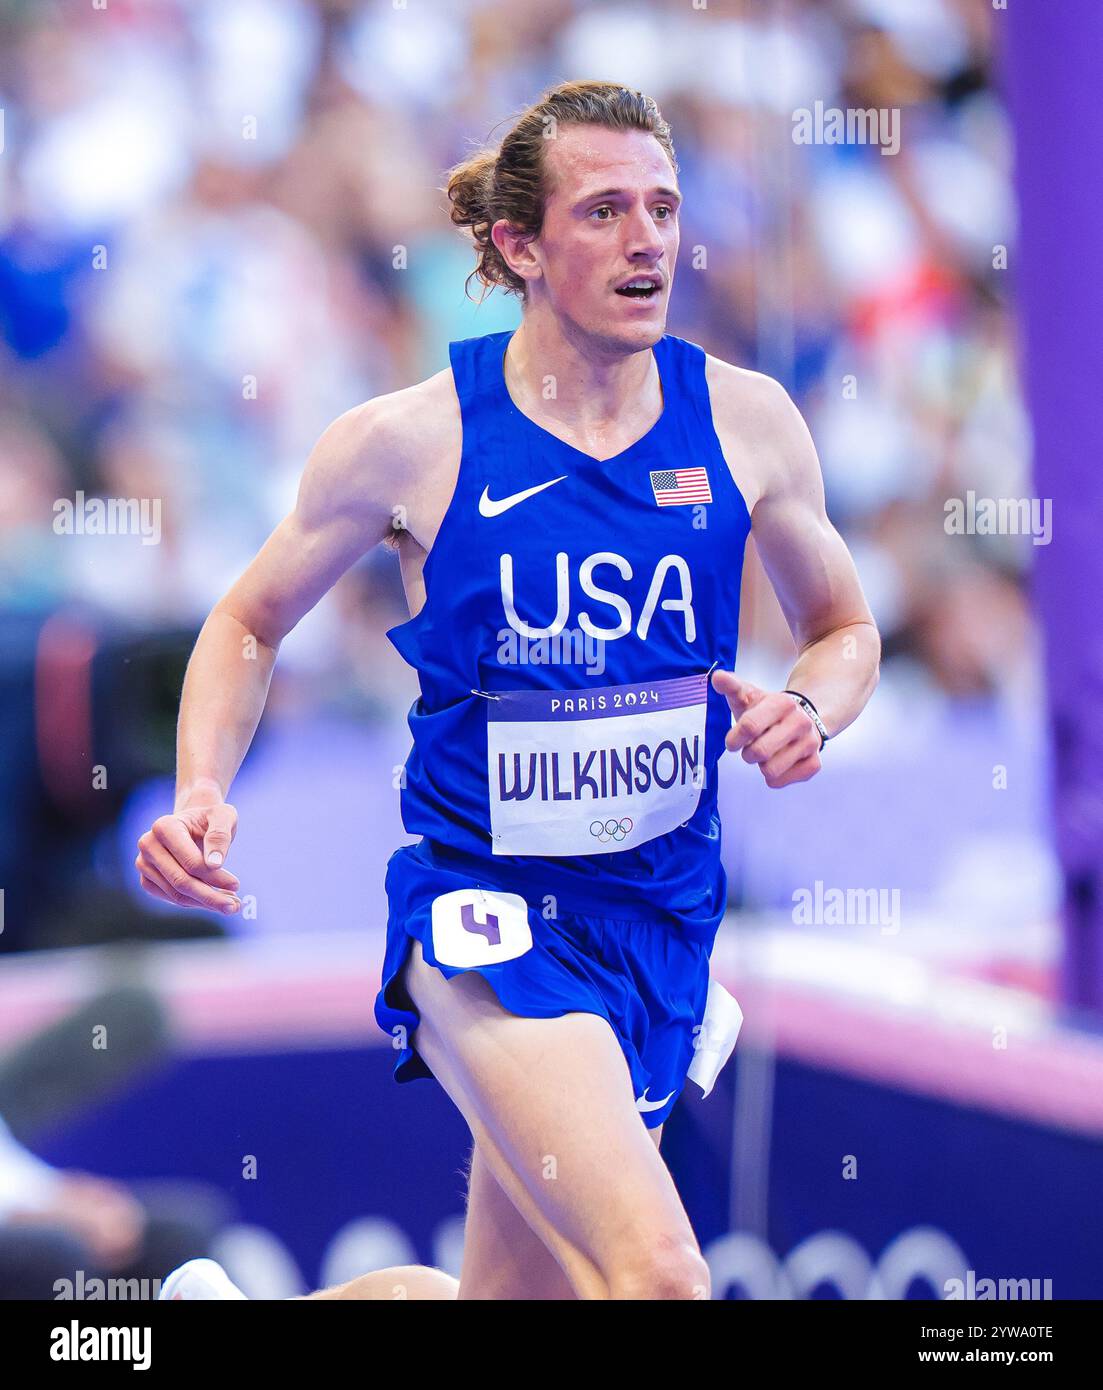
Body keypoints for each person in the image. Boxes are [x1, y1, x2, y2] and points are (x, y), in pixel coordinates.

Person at [139, 81, 879, 1301]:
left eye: (662, 206)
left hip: (657, 918)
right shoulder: (409, 442)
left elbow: (843, 627)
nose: (647, 238)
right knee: (658, 1276)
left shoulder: (747, 425)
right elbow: (247, 618)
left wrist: (807, 706)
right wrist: (201, 786)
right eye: (603, 212)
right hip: (486, 912)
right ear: (517, 246)